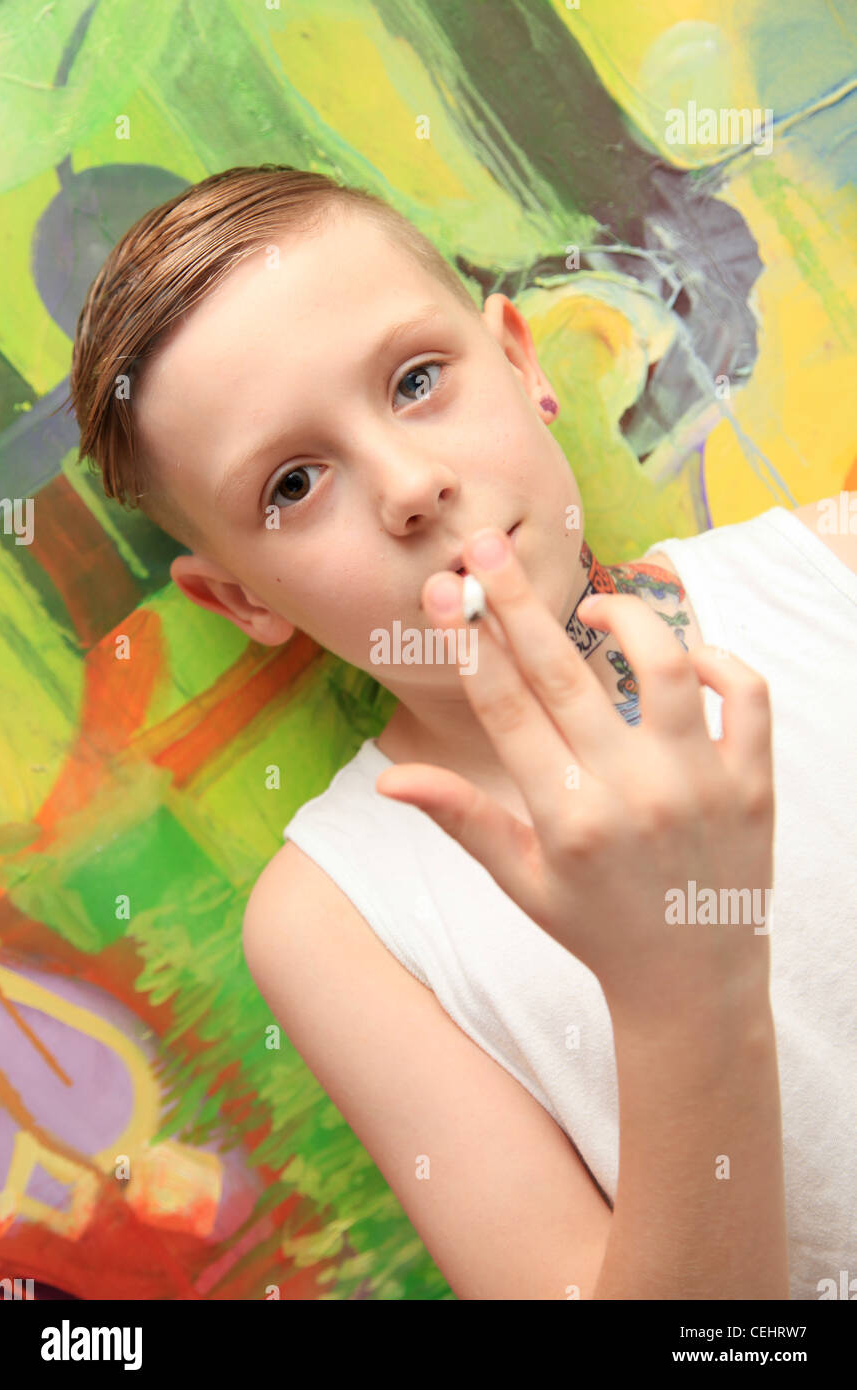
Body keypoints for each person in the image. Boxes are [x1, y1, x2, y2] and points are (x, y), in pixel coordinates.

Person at [67, 165, 857, 1300]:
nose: (409, 486)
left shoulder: (830, 572)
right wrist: (685, 992)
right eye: (291, 483)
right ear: (242, 601)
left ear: (522, 360)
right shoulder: (334, 921)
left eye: (416, 378)